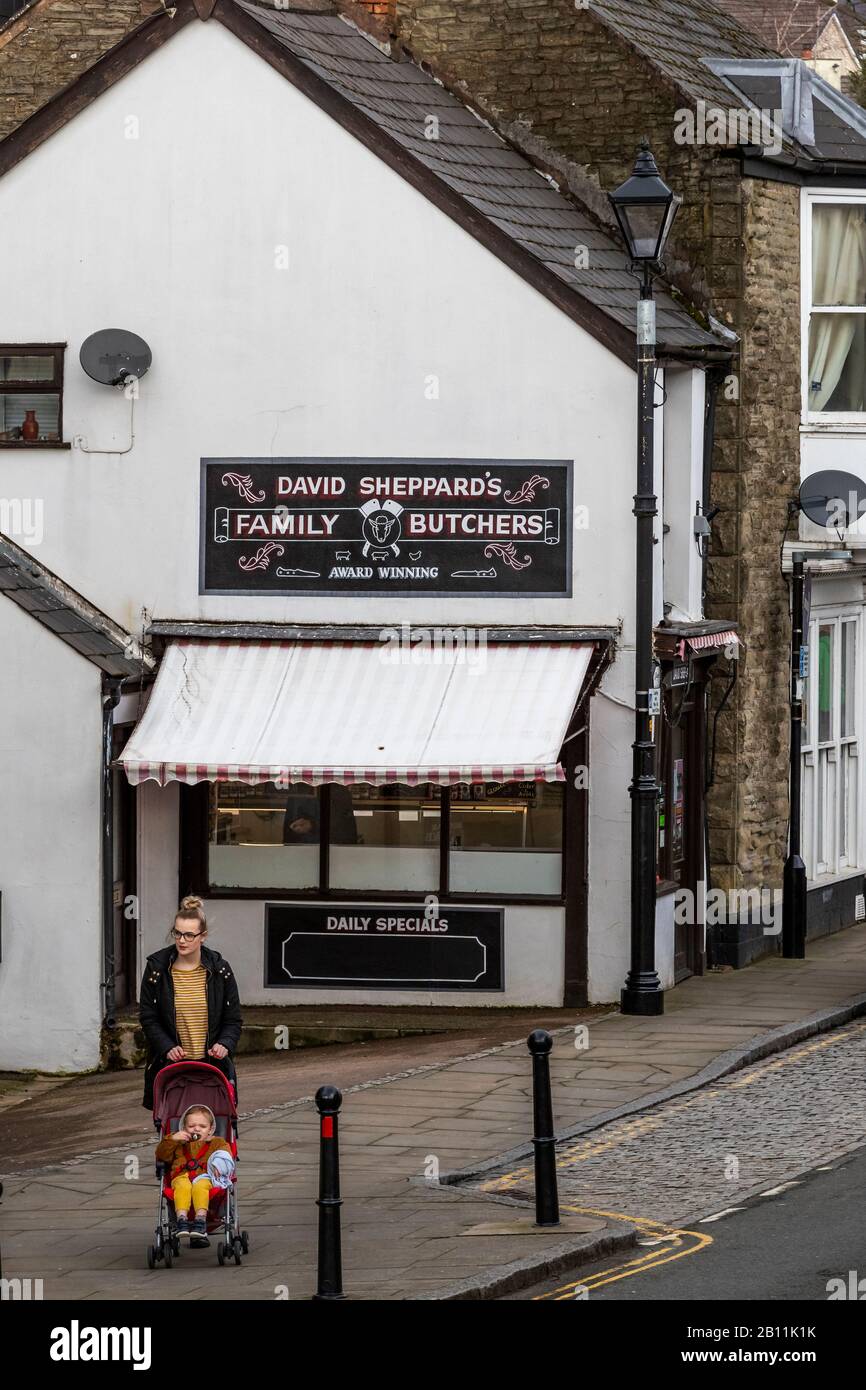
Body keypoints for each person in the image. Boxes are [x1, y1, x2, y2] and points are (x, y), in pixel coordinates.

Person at [139, 896, 242, 1111]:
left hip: (213, 1068)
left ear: (202, 936)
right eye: (177, 933)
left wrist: (224, 1043)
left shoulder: (220, 970)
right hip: (171, 1067)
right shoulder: (157, 970)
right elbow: (148, 1017)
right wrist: (166, 1046)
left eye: (189, 935)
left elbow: (233, 1019)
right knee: (173, 1125)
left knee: (214, 1125)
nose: (182, 940)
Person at [155, 1103, 234, 1246]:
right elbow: (161, 1154)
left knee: (200, 1186)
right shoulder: (178, 1143)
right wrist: (172, 1139)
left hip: (205, 1177)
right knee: (182, 1186)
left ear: (210, 1130)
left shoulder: (216, 1142)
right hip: (181, 1177)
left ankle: (200, 1220)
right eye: (191, 1126)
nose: (196, 1129)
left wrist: (219, 1165)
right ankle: (182, 1220)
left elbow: (226, 1154)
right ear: (184, 1128)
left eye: (202, 1127)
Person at [282, 784, 359, 844]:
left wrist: (313, 824)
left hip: (334, 848)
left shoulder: (339, 790)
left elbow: (345, 824)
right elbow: (289, 827)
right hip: (300, 847)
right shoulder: (297, 789)